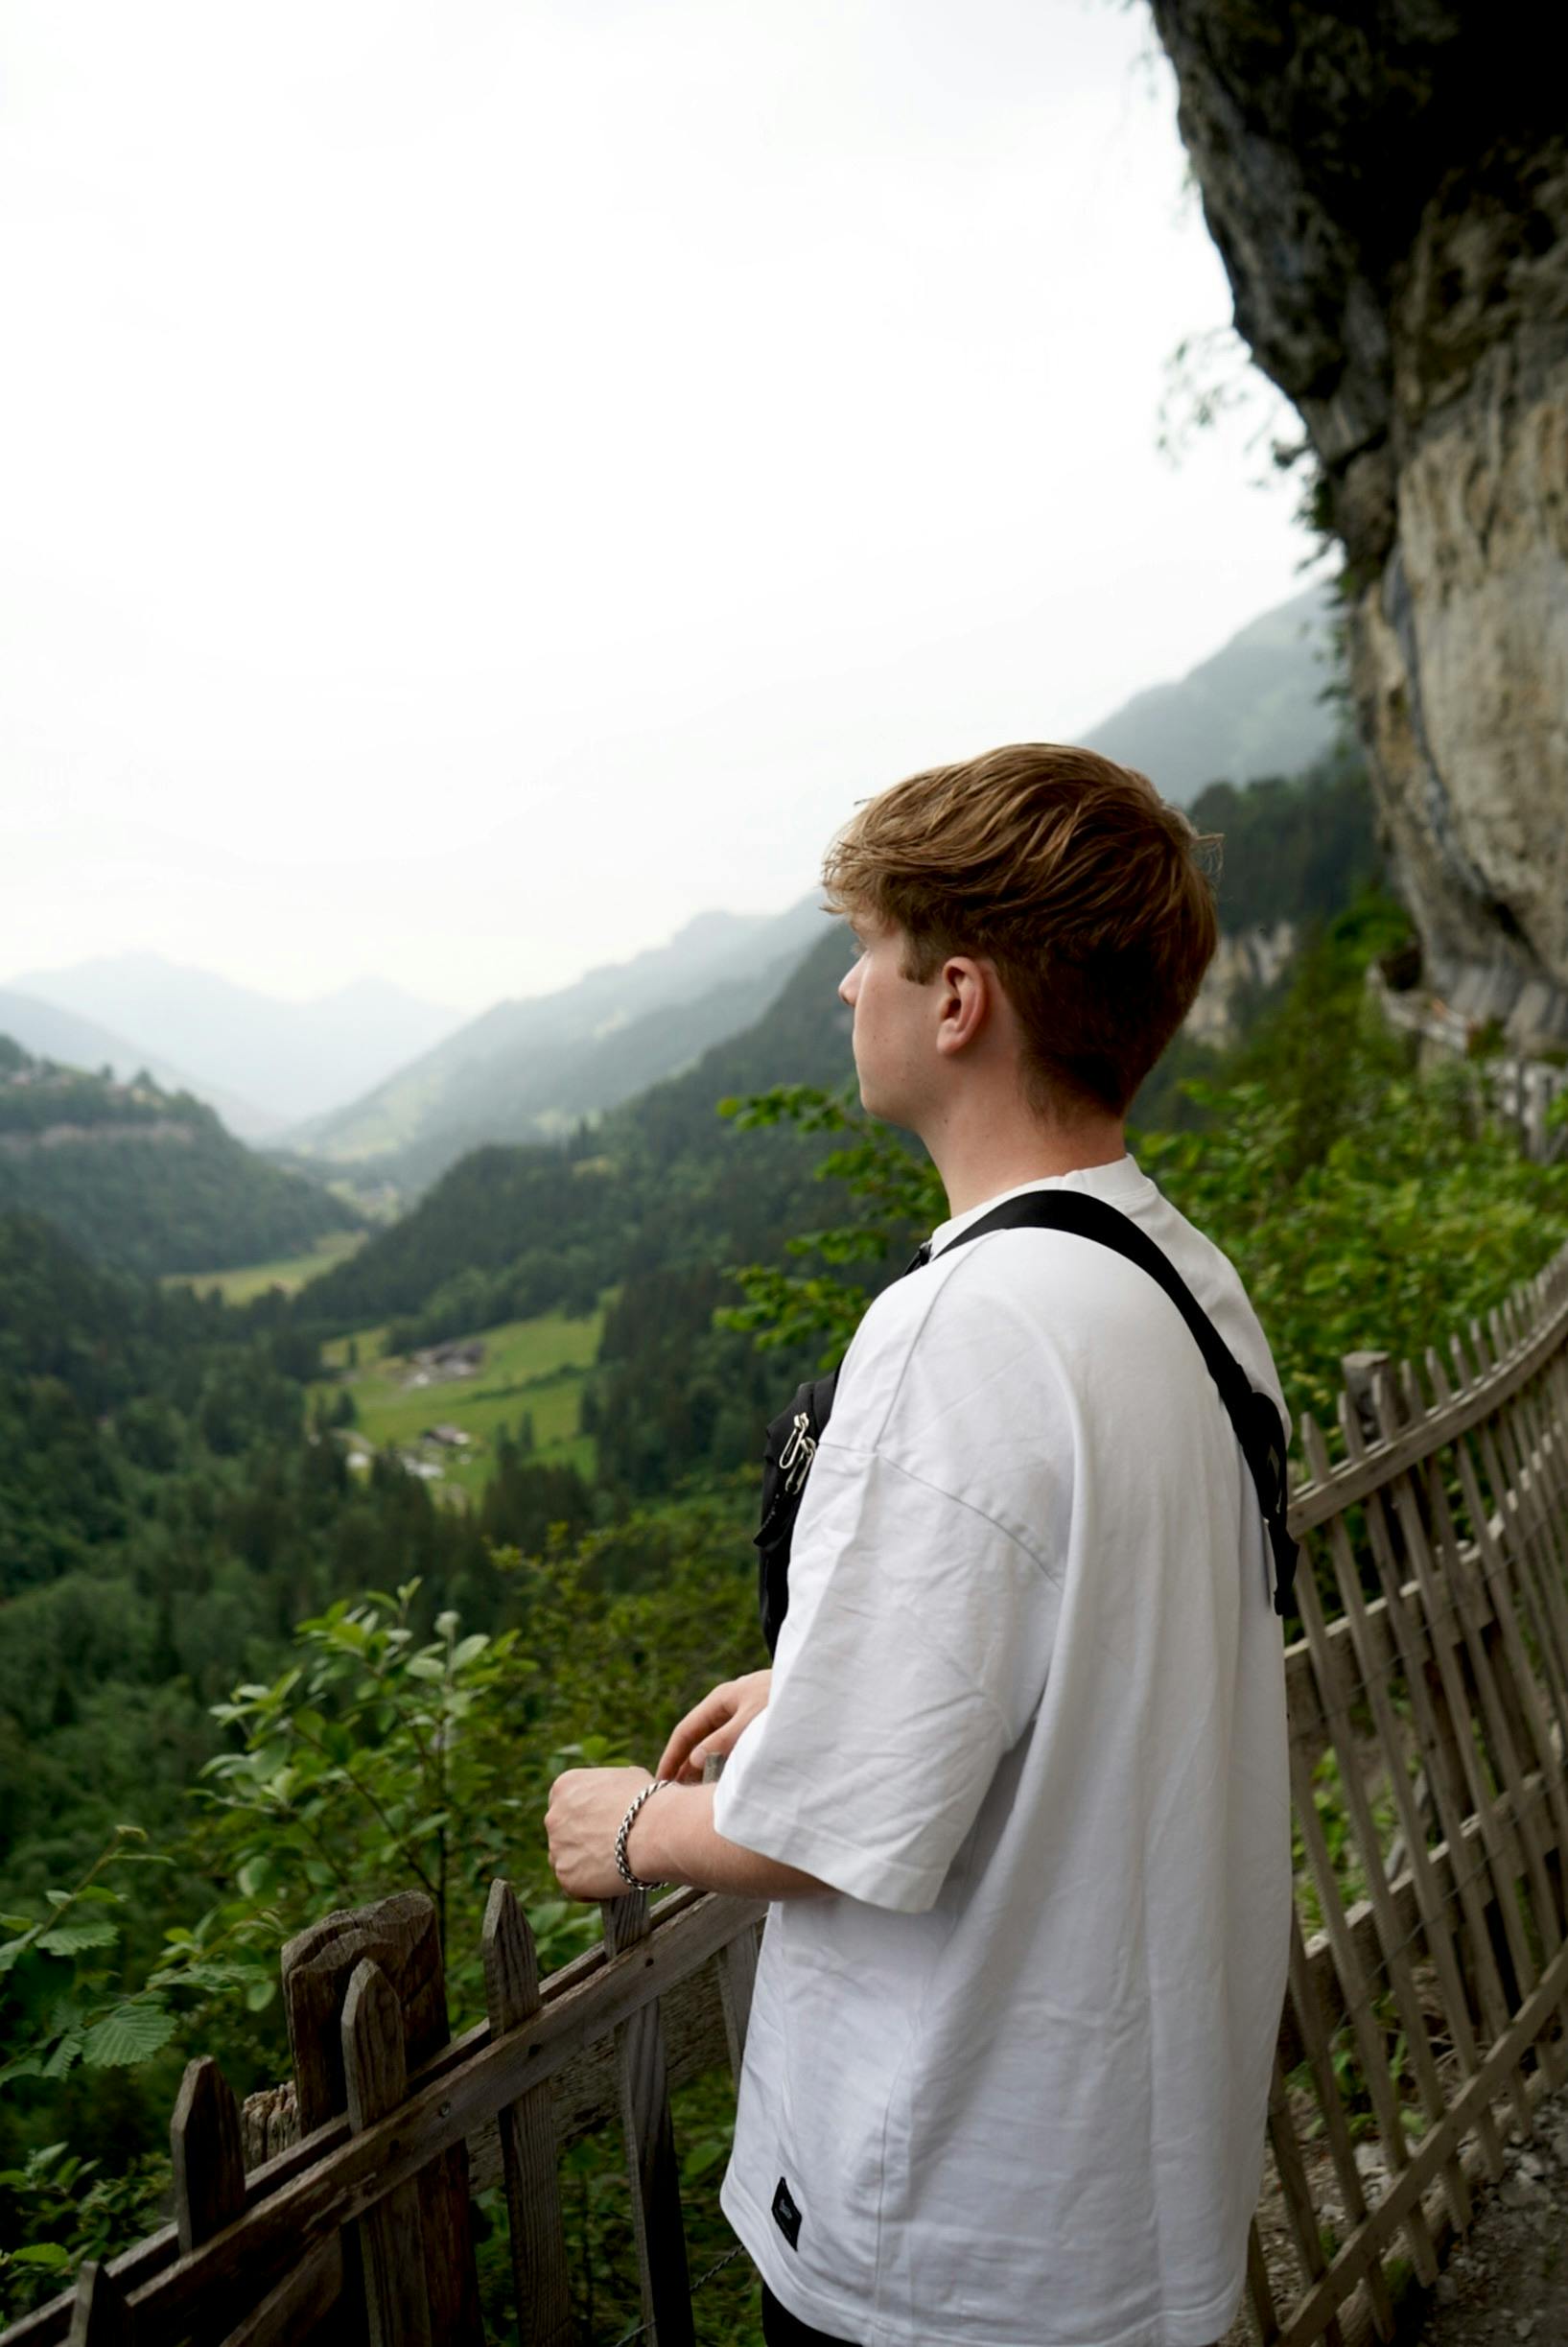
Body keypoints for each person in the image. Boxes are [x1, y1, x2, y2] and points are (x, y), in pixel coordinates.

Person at [546, 743, 1292, 2347]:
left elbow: (832, 1835)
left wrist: (627, 1834)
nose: (840, 987)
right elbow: (1090, 1636)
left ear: (957, 1001)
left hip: (952, 2239)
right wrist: (820, 1677)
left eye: (870, 950)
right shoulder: (1183, 1286)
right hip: (1133, 2204)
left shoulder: (959, 1323)